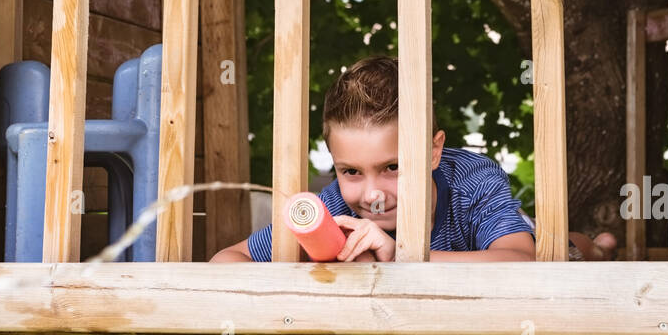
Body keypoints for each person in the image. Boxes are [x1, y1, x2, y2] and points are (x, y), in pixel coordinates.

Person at [210, 55, 536, 262]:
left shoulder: (472, 179)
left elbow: (521, 259)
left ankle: (589, 245)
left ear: (433, 151)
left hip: (526, 230)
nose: (373, 196)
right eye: (351, 171)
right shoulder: (335, 206)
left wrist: (399, 258)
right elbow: (228, 259)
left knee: (571, 248)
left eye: (392, 167)